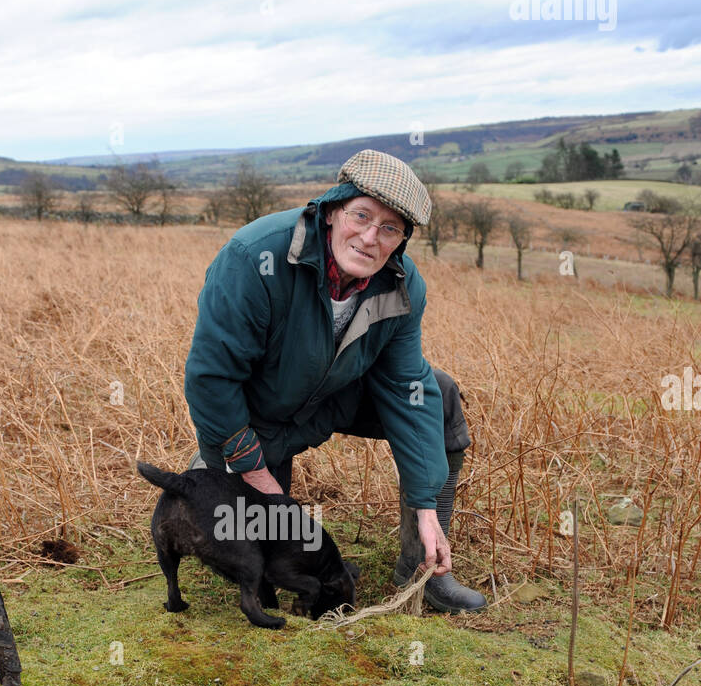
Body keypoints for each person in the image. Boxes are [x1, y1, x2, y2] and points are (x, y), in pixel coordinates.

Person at [183, 149, 486, 613]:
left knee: (437, 395)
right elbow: (211, 379)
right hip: (254, 418)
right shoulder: (254, 257)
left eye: (390, 228)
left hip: (331, 399)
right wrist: (259, 478)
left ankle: (422, 571)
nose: (369, 238)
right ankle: (210, 472)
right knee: (263, 561)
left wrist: (427, 507)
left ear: (402, 239)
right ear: (331, 210)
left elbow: (407, 386)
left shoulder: (402, 287)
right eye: (361, 215)